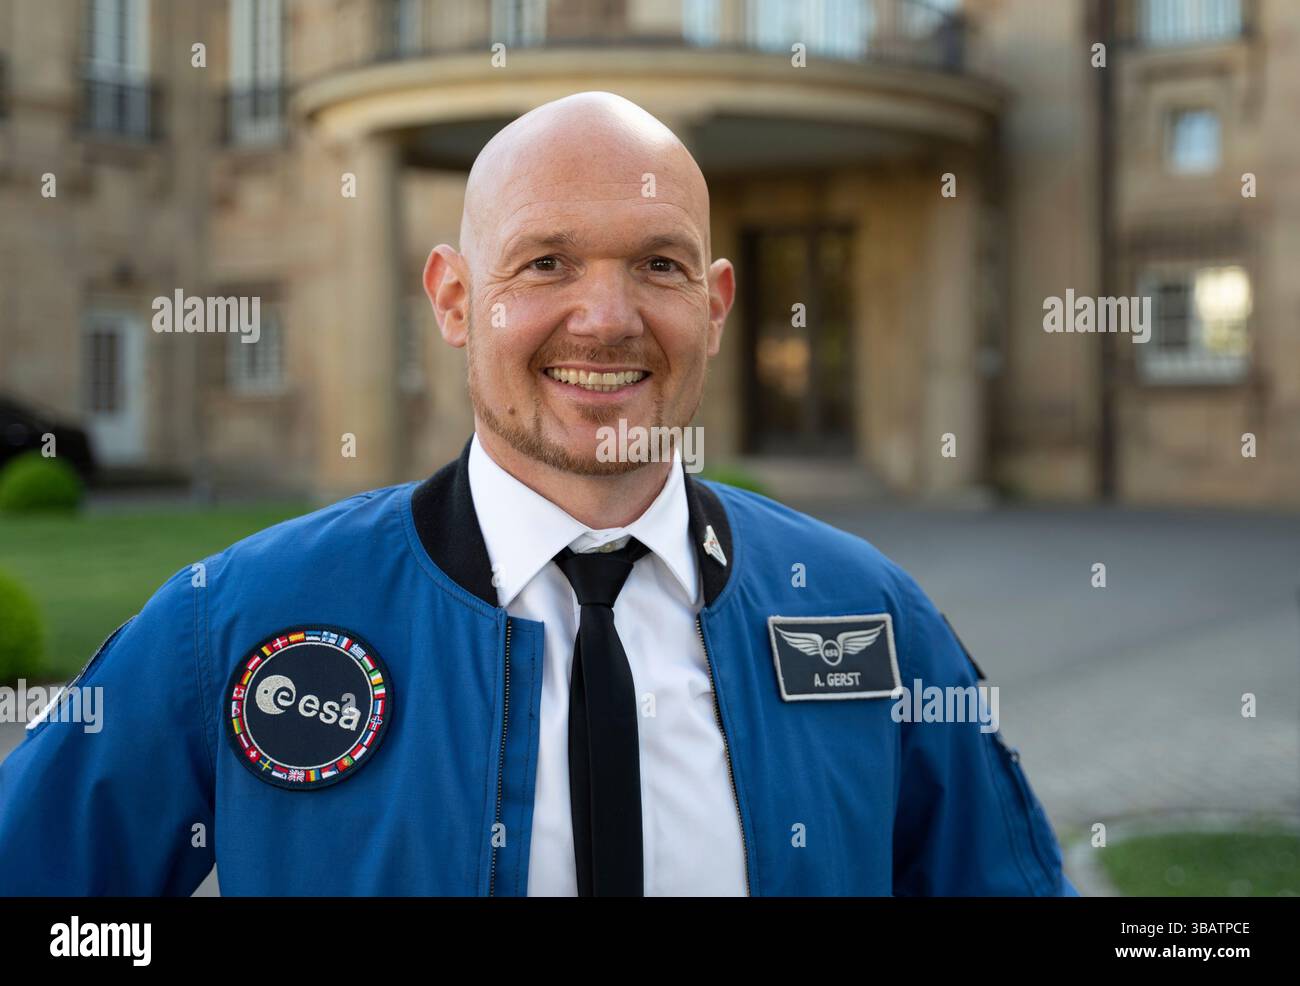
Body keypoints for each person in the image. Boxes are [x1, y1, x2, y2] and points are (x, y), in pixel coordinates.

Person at [0, 91, 1077, 896]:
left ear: (713, 305)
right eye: (547, 263)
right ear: (455, 298)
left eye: (657, 265)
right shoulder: (236, 620)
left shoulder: (865, 614)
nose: (605, 319)